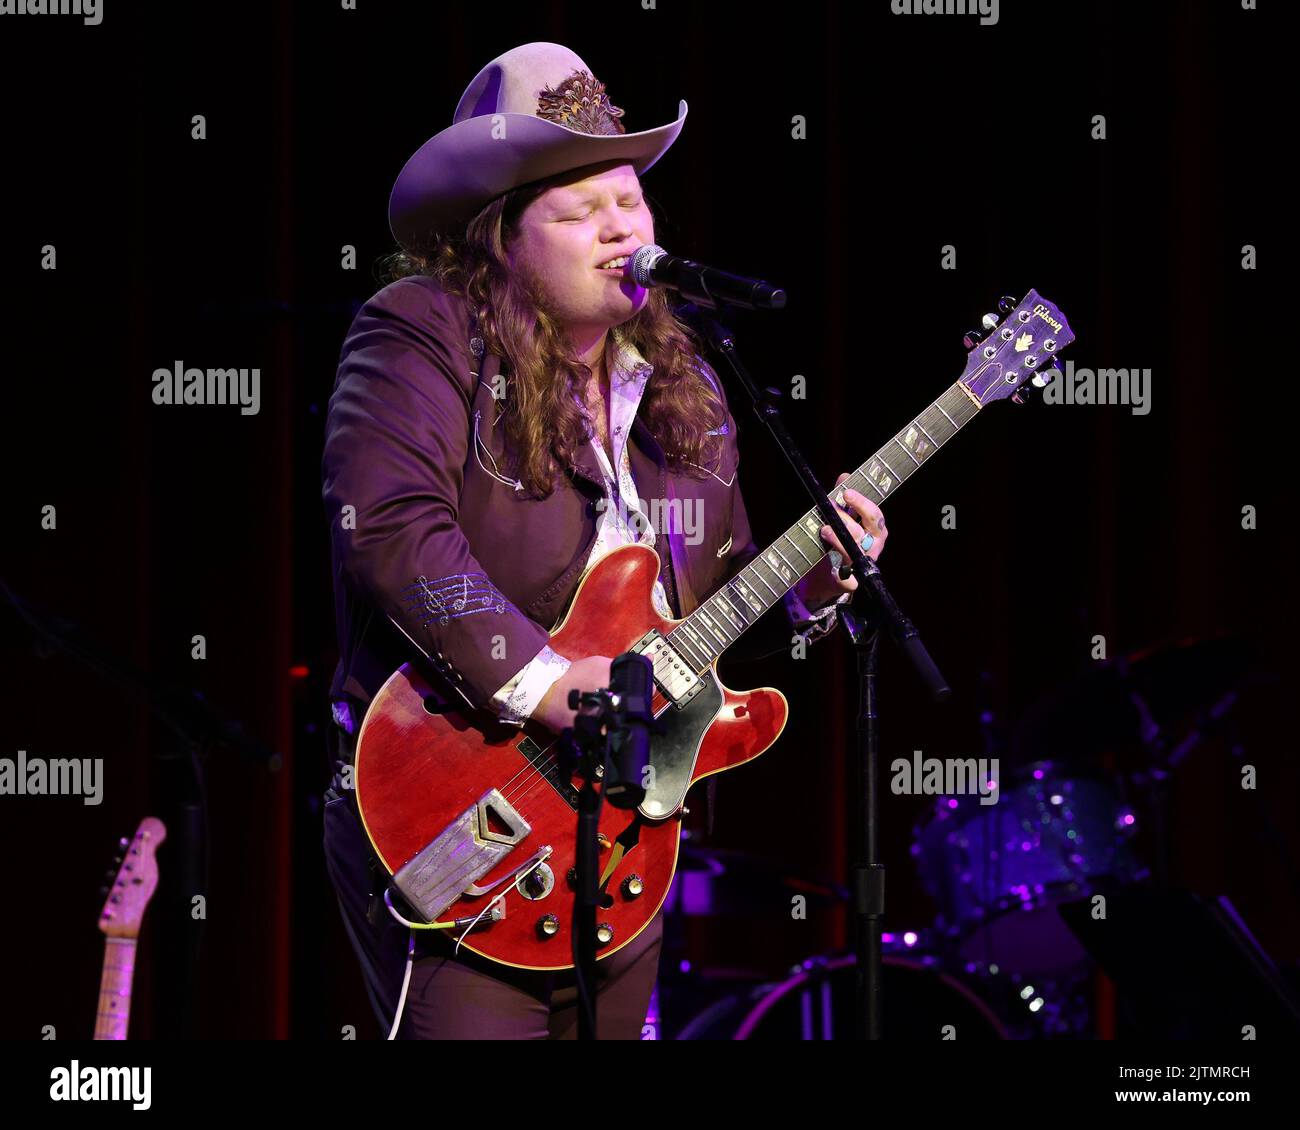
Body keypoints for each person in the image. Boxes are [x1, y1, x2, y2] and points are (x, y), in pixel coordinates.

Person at [319, 41, 888, 1040]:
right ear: (499, 237)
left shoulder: (687, 387)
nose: (621, 226)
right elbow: (394, 531)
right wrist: (549, 684)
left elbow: (710, 611)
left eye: (629, 198)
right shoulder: (419, 331)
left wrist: (812, 585)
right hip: (461, 804)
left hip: (623, 836)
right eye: (582, 210)